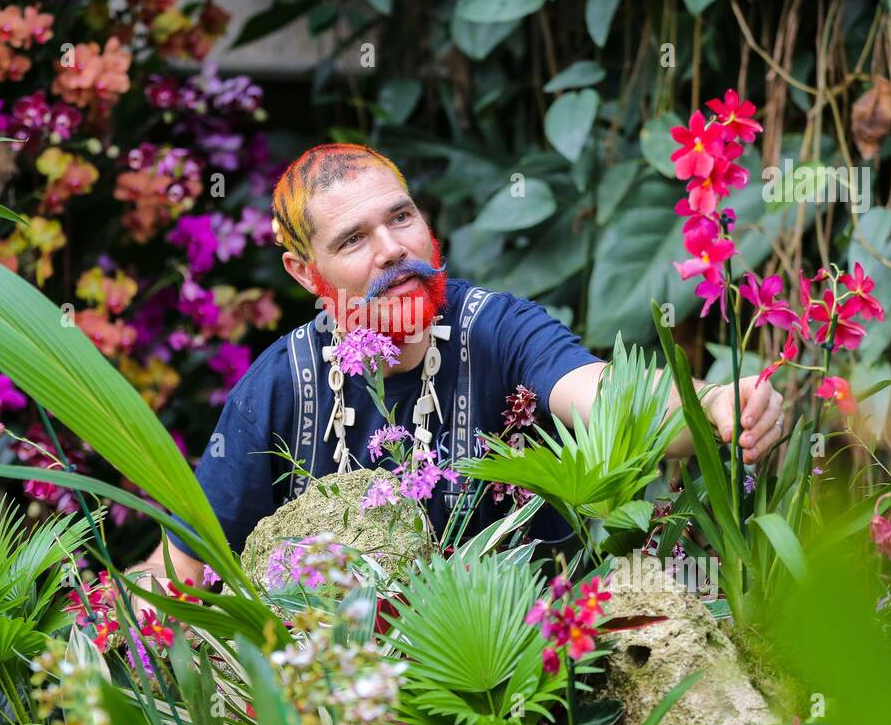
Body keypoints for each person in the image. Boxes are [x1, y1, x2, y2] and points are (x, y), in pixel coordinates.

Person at [125, 143, 784, 594]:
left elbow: (609, 395)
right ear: (305, 271)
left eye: (402, 217)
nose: (393, 250)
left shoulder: (497, 330)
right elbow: (184, 571)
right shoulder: (278, 389)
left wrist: (714, 405)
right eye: (353, 239)